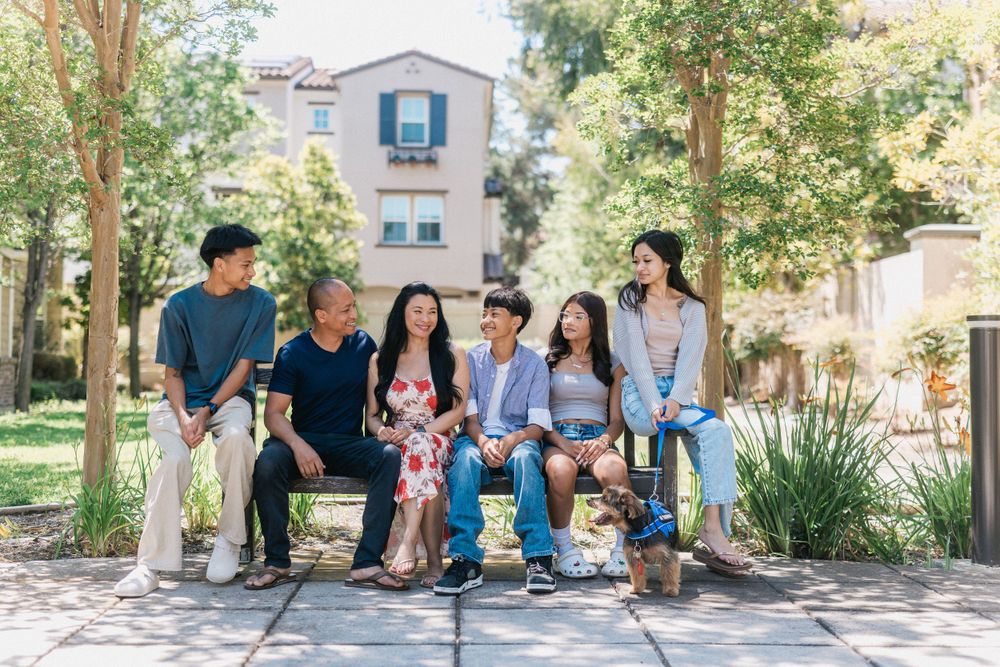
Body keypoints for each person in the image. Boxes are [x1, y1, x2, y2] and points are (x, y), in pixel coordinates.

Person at [115, 224, 276, 598]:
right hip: (179, 404)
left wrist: (209, 410)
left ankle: (230, 541)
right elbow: (172, 374)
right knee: (174, 461)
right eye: (245, 264)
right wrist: (187, 416)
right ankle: (150, 564)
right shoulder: (179, 305)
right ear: (219, 264)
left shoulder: (261, 303)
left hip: (229, 400)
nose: (252, 272)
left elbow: (244, 368)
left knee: (237, 441)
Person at [246, 278, 407, 591]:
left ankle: (367, 563)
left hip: (350, 444)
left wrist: (388, 428)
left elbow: (382, 398)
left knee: (389, 456)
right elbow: (274, 415)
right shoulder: (293, 352)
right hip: (304, 441)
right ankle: (277, 562)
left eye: (353, 306)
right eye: (345, 309)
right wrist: (298, 445)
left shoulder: (363, 345)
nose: (354, 314)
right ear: (321, 316)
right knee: (267, 462)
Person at [613, 229, 751, 576]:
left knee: (717, 430)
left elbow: (692, 359)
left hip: (676, 396)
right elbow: (635, 358)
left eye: (647, 261)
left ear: (668, 262)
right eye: (636, 262)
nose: (639, 268)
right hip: (638, 397)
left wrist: (675, 399)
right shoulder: (630, 301)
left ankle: (712, 528)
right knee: (667, 418)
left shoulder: (692, 307)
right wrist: (657, 401)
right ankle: (713, 530)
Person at [433, 287, 556, 596]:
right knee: (465, 461)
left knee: (528, 459)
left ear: (515, 322)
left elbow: (537, 426)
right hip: (477, 438)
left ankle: (538, 557)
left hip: (520, 439)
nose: (485, 320)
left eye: (494, 315)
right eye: (484, 314)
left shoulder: (534, 365)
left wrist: (513, 439)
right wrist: (485, 441)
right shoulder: (471, 359)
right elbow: (470, 420)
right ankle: (465, 560)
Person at [365, 282, 469, 589]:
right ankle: (435, 563)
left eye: (433, 311)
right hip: (399, 443)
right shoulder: (381, 359)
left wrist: (420, 431)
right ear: (402, 314)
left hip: (439, 436)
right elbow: (372, 415)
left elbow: (458, 411)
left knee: (422, 446)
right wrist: (382, 430)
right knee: (420, 462)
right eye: (418, 311)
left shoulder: (451, 354)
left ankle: (408, 542)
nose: (426, 318)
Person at [542, 291, 631, 579]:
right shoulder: (547, 361)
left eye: (578, 316)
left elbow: (616, 420)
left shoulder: (613, 364)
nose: (568, 321)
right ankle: (564, 550)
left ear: (595, 322)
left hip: (597, 438)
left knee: (615, 469)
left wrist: (604, 440)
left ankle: (622, 549)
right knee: (560, 470)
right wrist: (561, 442)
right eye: (565, 314)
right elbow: (539, 416)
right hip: (557, 436)